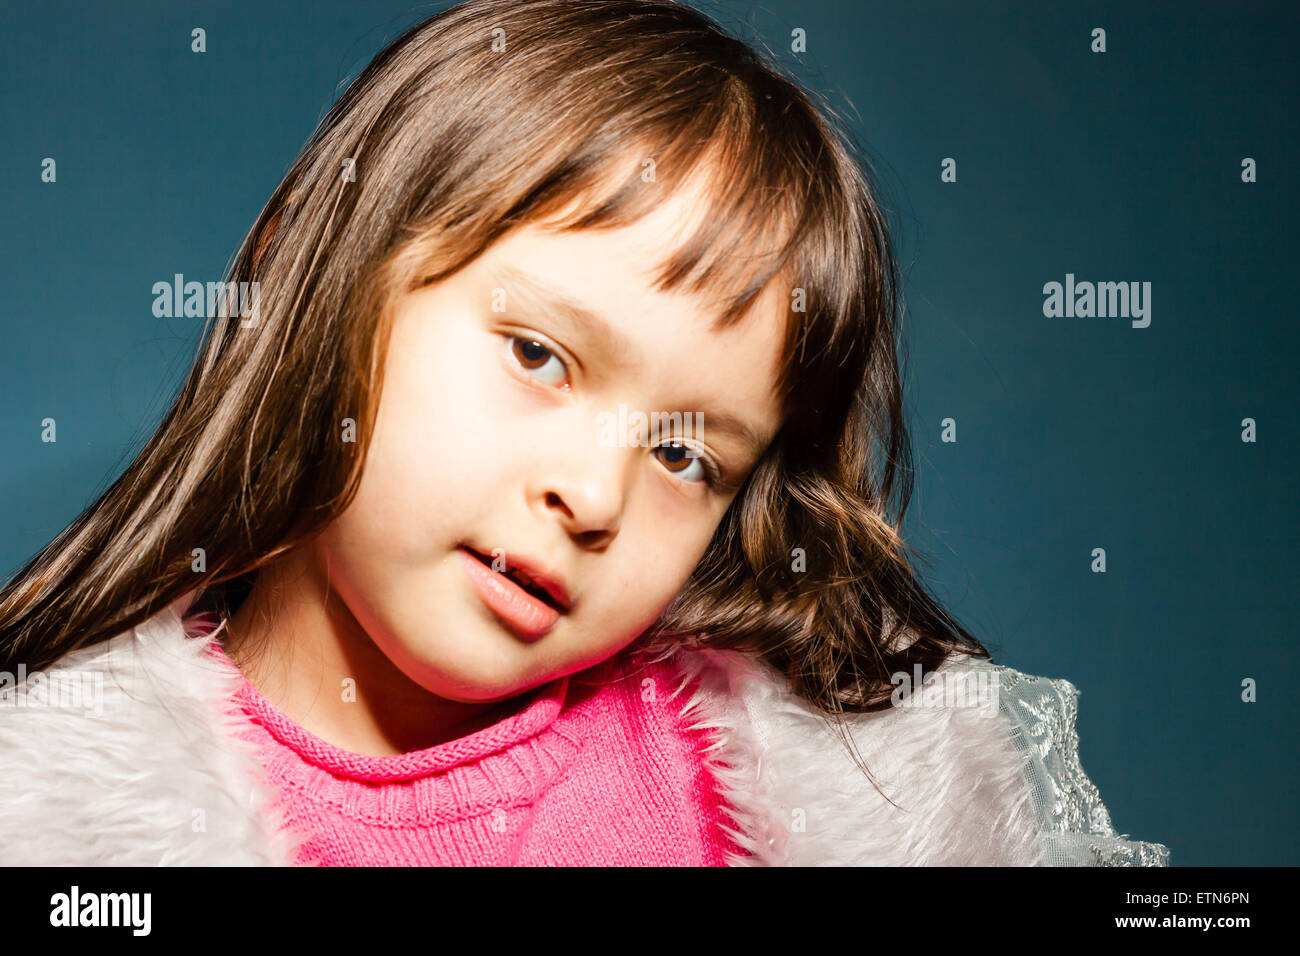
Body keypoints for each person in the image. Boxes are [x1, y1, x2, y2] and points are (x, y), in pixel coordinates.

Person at [0, 0, 1169, 866]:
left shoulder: (825, 800)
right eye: (539, 355)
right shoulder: (51, 819)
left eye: (681, 453)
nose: (593, 495)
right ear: (323, 285)